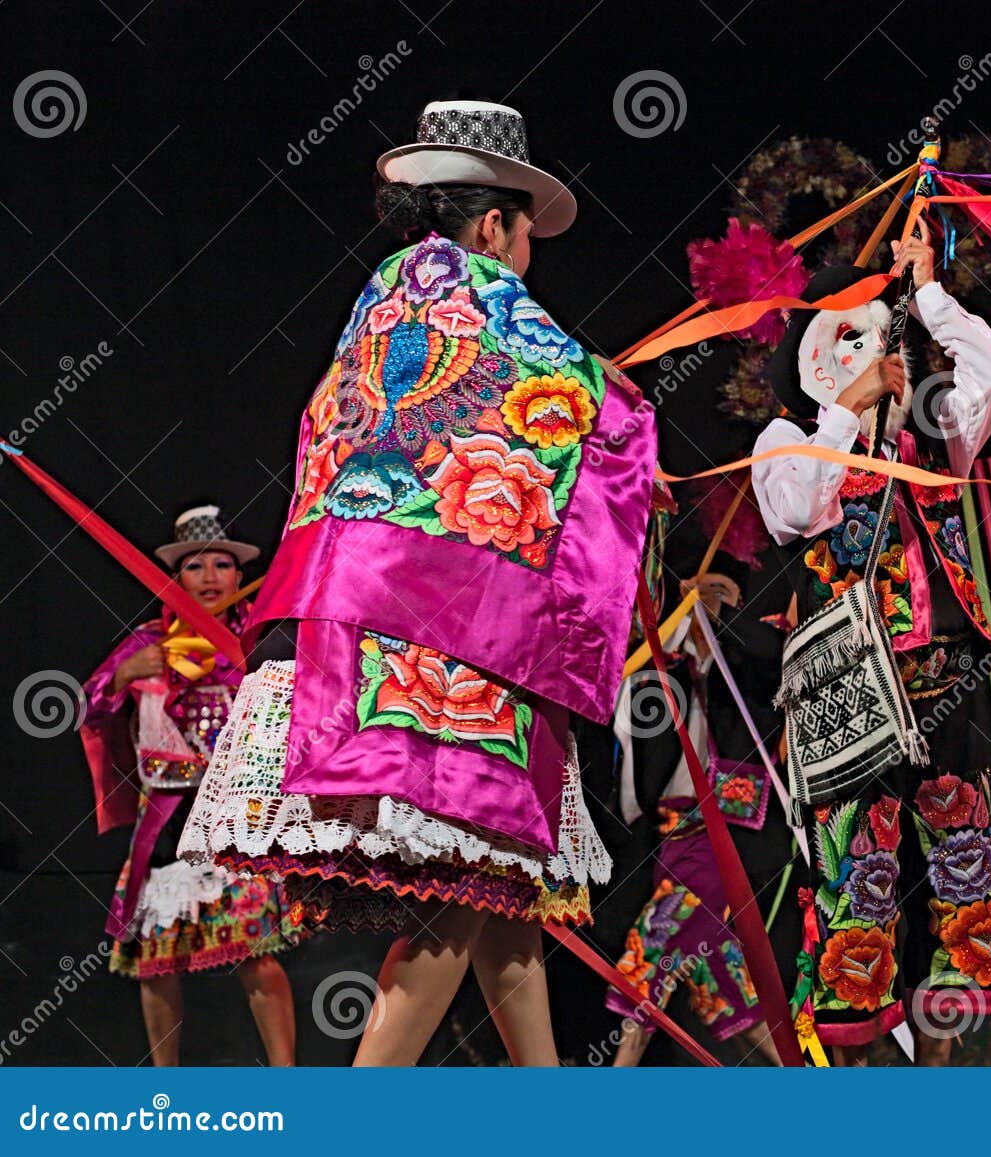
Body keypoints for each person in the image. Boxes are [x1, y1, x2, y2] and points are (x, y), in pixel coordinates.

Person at [179, 100, 658, 1066]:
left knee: (505, 895)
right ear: (493, 225)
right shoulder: (477, 294)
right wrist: (628, 409)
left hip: (355, 612)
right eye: (523, 236)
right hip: (438, 634)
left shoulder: (384, 302)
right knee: (456, 893)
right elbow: (591, 412)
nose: (525, 258)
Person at [750, 228, 991, 1064]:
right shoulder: (788, 438)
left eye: (884, 334)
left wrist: (932, 293)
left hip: (940, 674)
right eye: (851, 337)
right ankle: (854, 1066)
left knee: (963, 865)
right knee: (854, 874)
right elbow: (794, 514)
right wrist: (849, 407)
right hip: (849, 685)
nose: (878, 352)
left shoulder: (936, 431)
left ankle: (950, 1069)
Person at [81, 506, 300, 1065]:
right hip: (166, 824)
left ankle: (289, 1081)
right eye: (194, 566)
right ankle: (165, 1088)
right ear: (174, 579)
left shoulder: (259, 641)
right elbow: (89, 706)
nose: (208, 577)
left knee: (257, 952)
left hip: (237, 818)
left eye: (221, 564)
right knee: (155, 963)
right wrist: (126, 675)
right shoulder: (148, 645)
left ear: (237, 575)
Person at [606, 571, 783, 1066]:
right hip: (672, 832)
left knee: (654, 940)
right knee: (719, 973)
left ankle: (618, 1072)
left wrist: (723, 616)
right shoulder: (668, 671)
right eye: (701, 592)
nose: (708, 601)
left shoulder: (752, 668)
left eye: (722, 593)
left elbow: (765, 651)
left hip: (718, 835)